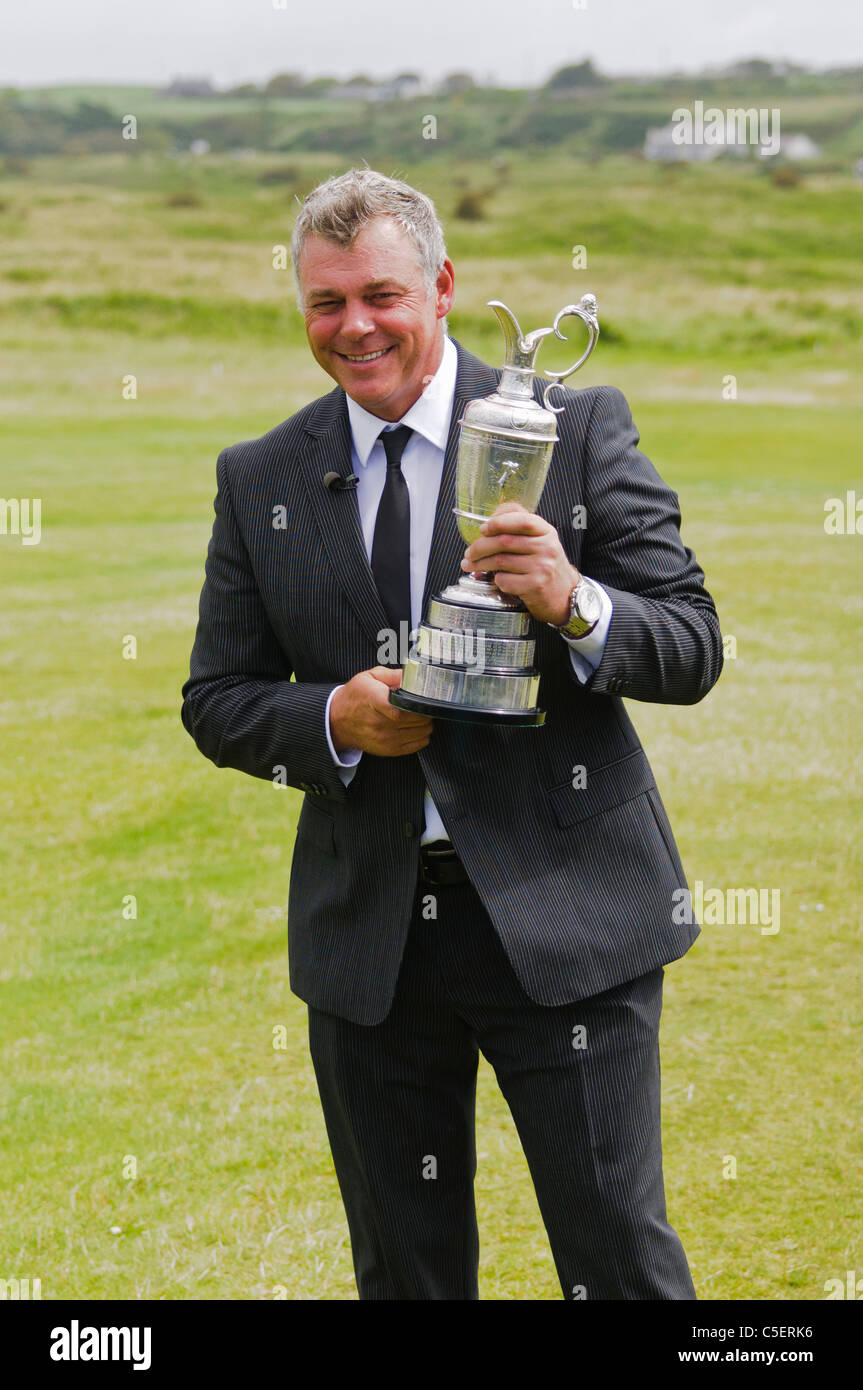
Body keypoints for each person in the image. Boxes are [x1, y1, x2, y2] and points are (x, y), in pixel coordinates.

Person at [181, 168, 723, 1300]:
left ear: (440, 284)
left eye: (379, 292)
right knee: (405, 1274)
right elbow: (219, 695)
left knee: (616, 1261)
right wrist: (332, 717)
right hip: (370, 941)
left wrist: (573, 598)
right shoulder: (259, 476)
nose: (355, 325)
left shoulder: (571, 430)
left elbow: (689, 644)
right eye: (325, 303)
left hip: (564, 920)